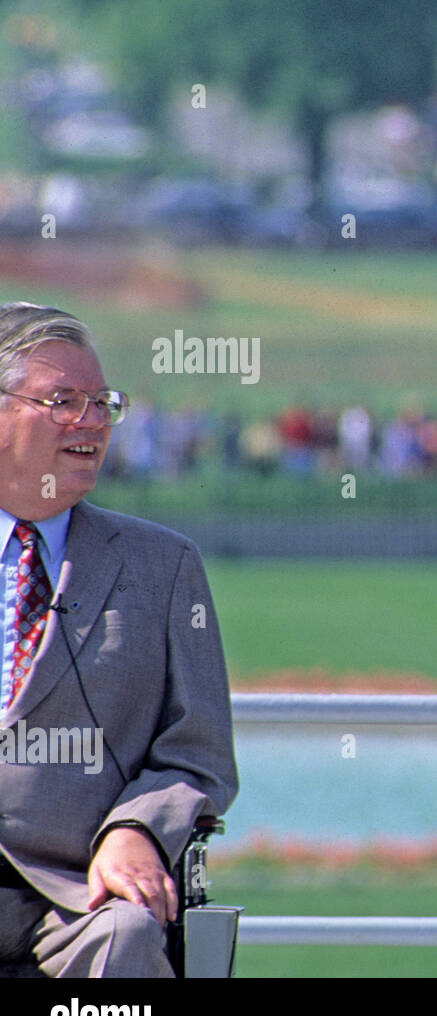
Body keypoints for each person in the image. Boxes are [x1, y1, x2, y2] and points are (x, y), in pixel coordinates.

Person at [0, 303, 238, 977]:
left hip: (80, 901)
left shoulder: (163, 567)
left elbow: (198, 754)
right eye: (63, 401)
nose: (93, 421)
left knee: (130, 937)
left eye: (102, 402)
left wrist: (136, 831)